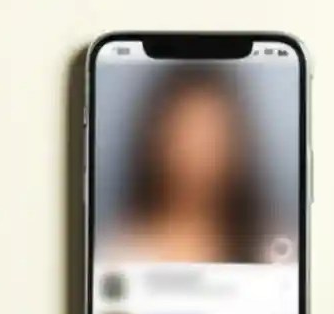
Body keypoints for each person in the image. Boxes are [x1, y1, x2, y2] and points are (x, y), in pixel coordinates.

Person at [108, 69, 271, 264]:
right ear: (156, 144)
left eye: (211, 141)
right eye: (185, 137)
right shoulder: (122, 253)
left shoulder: (272, 249)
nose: (197, 156)